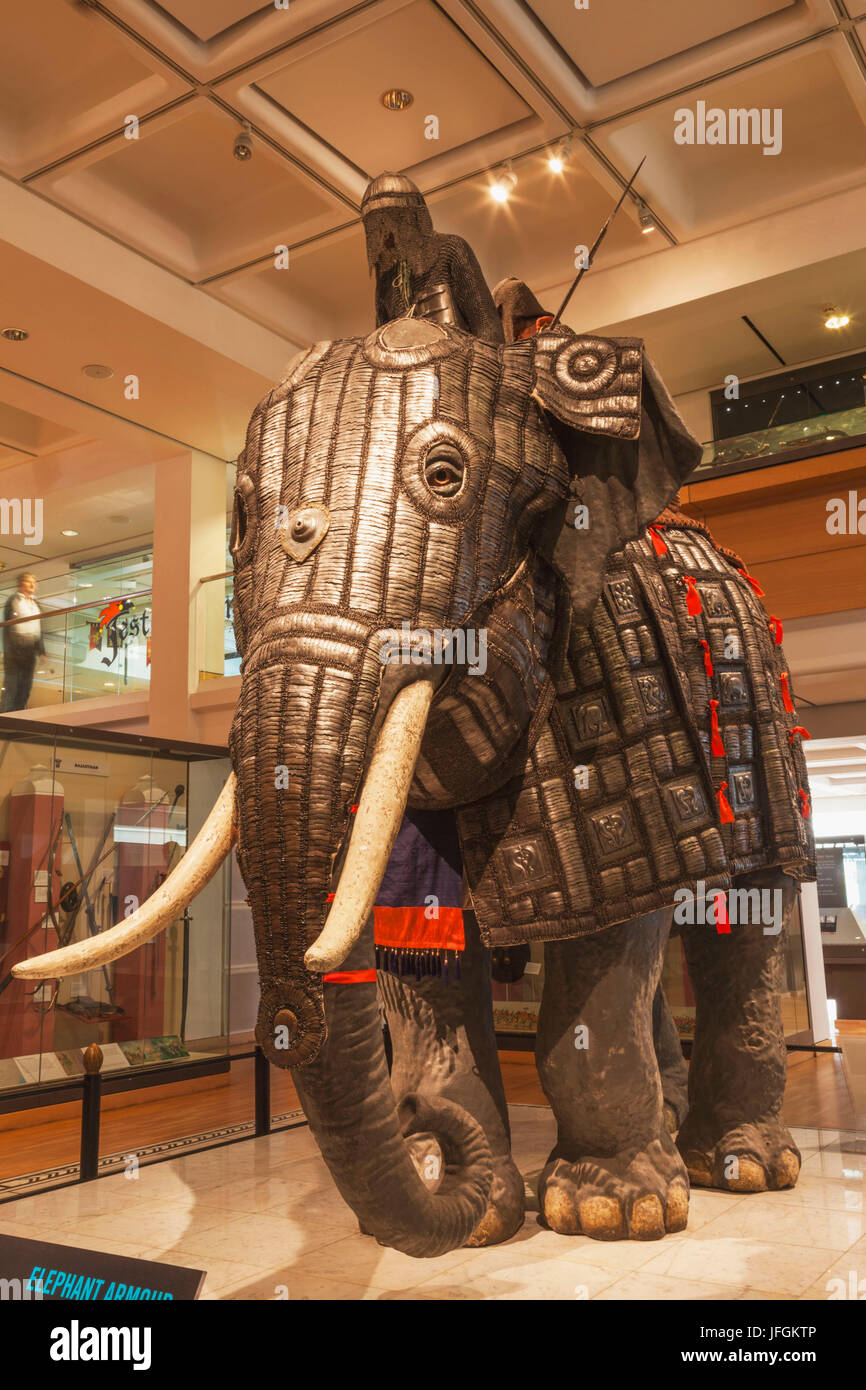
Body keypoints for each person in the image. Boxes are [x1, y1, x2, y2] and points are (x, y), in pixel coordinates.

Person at [361, 172, 504, 345]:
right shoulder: (386, 283)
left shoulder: (450, 249)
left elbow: (486, 325)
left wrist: (483, 368)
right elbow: (380, 347)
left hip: (458, 363)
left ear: (410, 216)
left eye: (389, 219)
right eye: (377, 225)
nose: (383, 232)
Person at [2, 573, 44, 712]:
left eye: (34, 582)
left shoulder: (35, 603)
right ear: (20, 584)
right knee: (12, 686)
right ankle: (6, 718)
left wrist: (41, 650)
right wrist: (9, 649)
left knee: (25, 687)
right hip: (15, 649)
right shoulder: (13, 600)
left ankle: (19, 716)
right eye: (28, 582)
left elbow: (39, 628)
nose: (32, 585)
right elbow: (7, 627)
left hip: (30, 649)